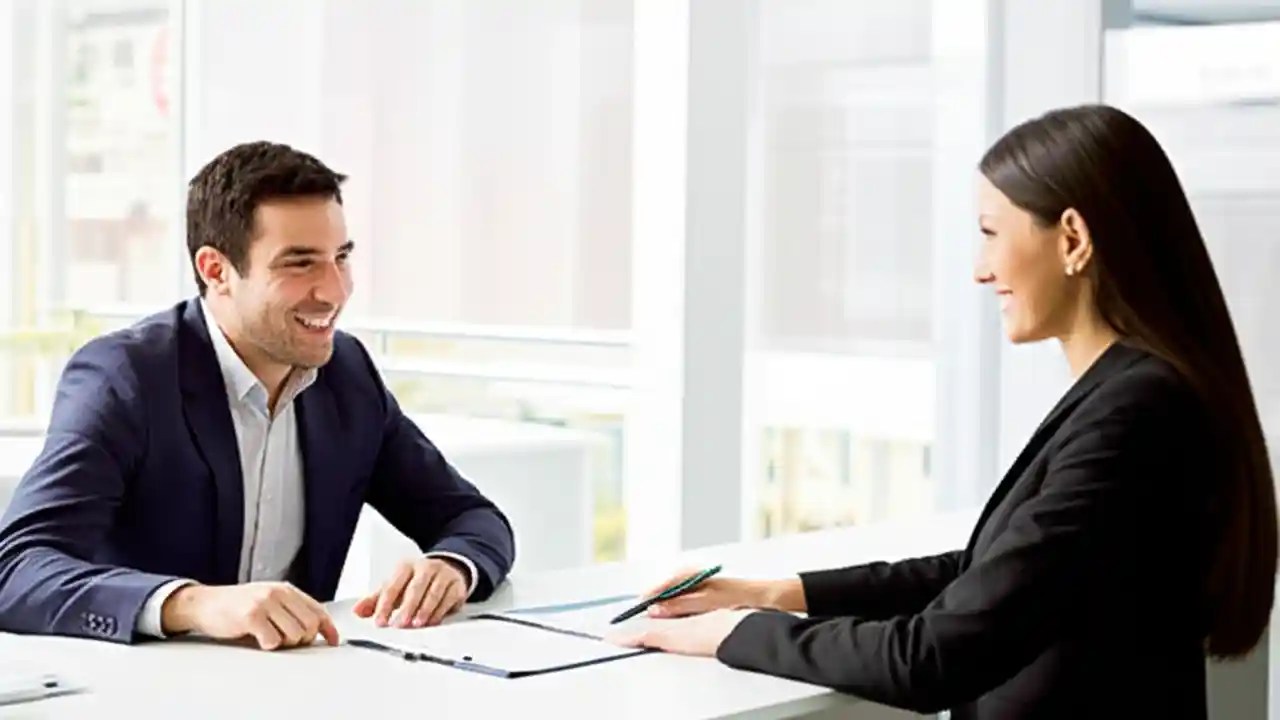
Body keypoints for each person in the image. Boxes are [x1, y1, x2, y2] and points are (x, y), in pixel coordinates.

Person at [612, 104, 1278, 718]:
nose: (980, 270)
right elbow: (989, 577)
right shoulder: (1135, 395)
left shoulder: (1138, 413)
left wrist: (740, 635)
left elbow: (936, 657)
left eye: (991, 233)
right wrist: (778, 593)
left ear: (1073, 238)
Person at [0, 141, 516, 650]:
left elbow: (473, 518)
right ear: (216, 270)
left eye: (340, 257)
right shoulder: (127, 377)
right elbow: (16, 570)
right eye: (300, 263)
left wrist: (451, 566)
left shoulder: (347, 375)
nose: (334, 290)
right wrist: (193, 603)